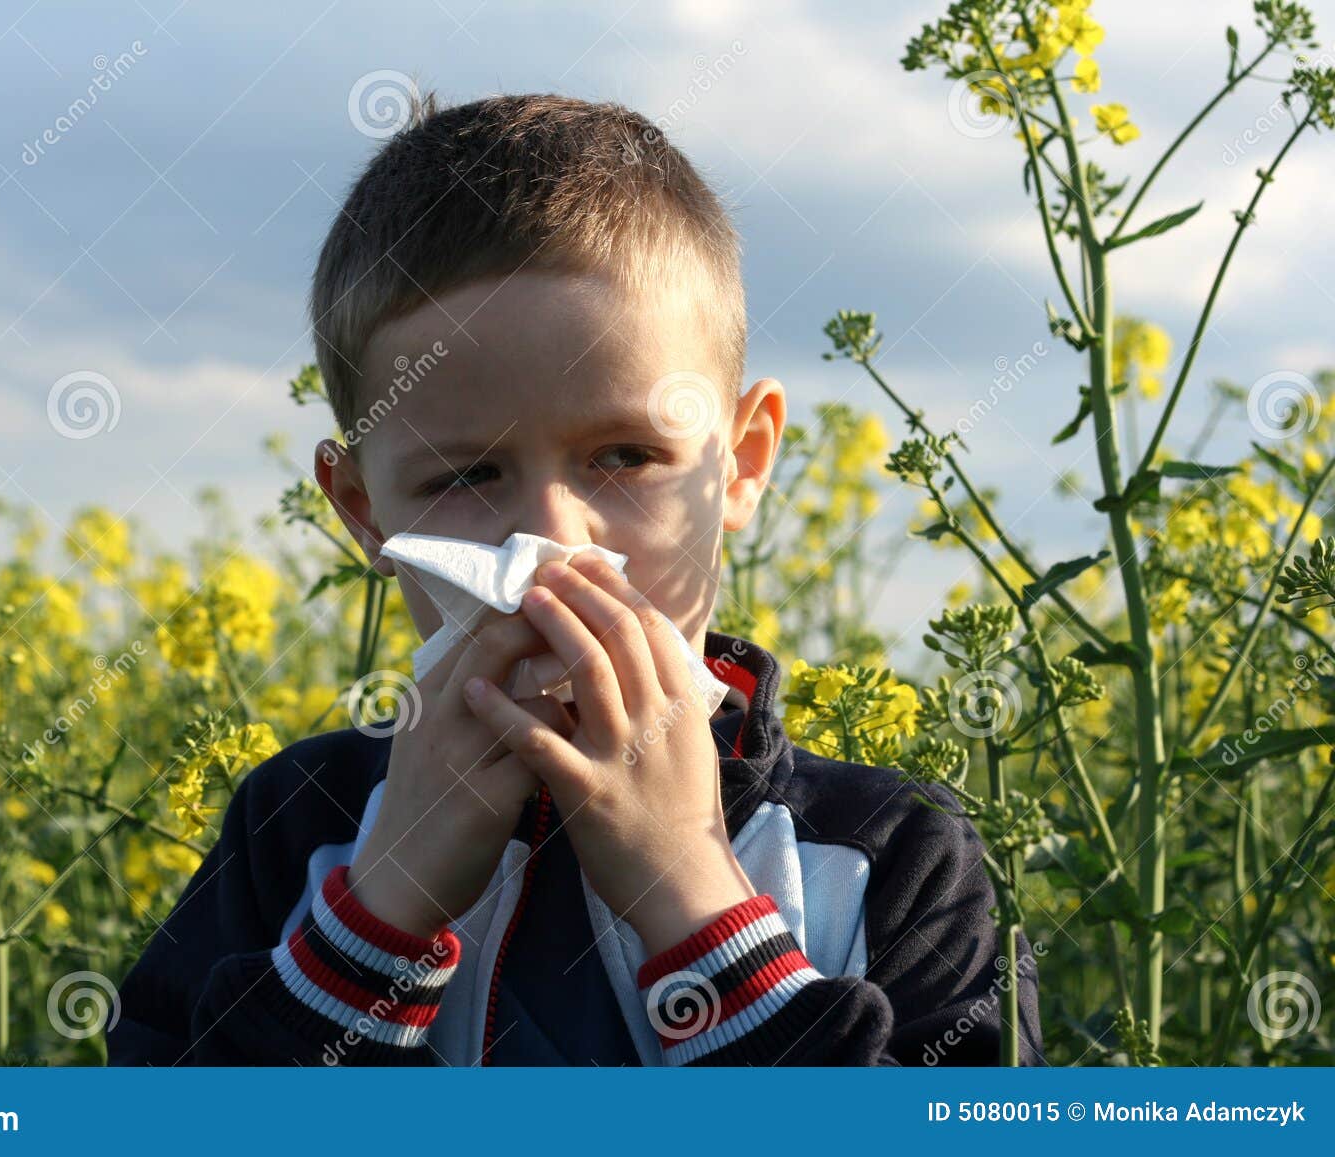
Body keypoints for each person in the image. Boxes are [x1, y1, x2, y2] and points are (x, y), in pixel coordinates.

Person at [107, 91, 1044, 1067]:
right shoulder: (298, 829)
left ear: (745, 461)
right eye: (464, 475)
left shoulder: (886, 855)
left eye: (626, 454)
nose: (550, 542)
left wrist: (692, 894)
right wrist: (372, 924)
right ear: (362, 510)